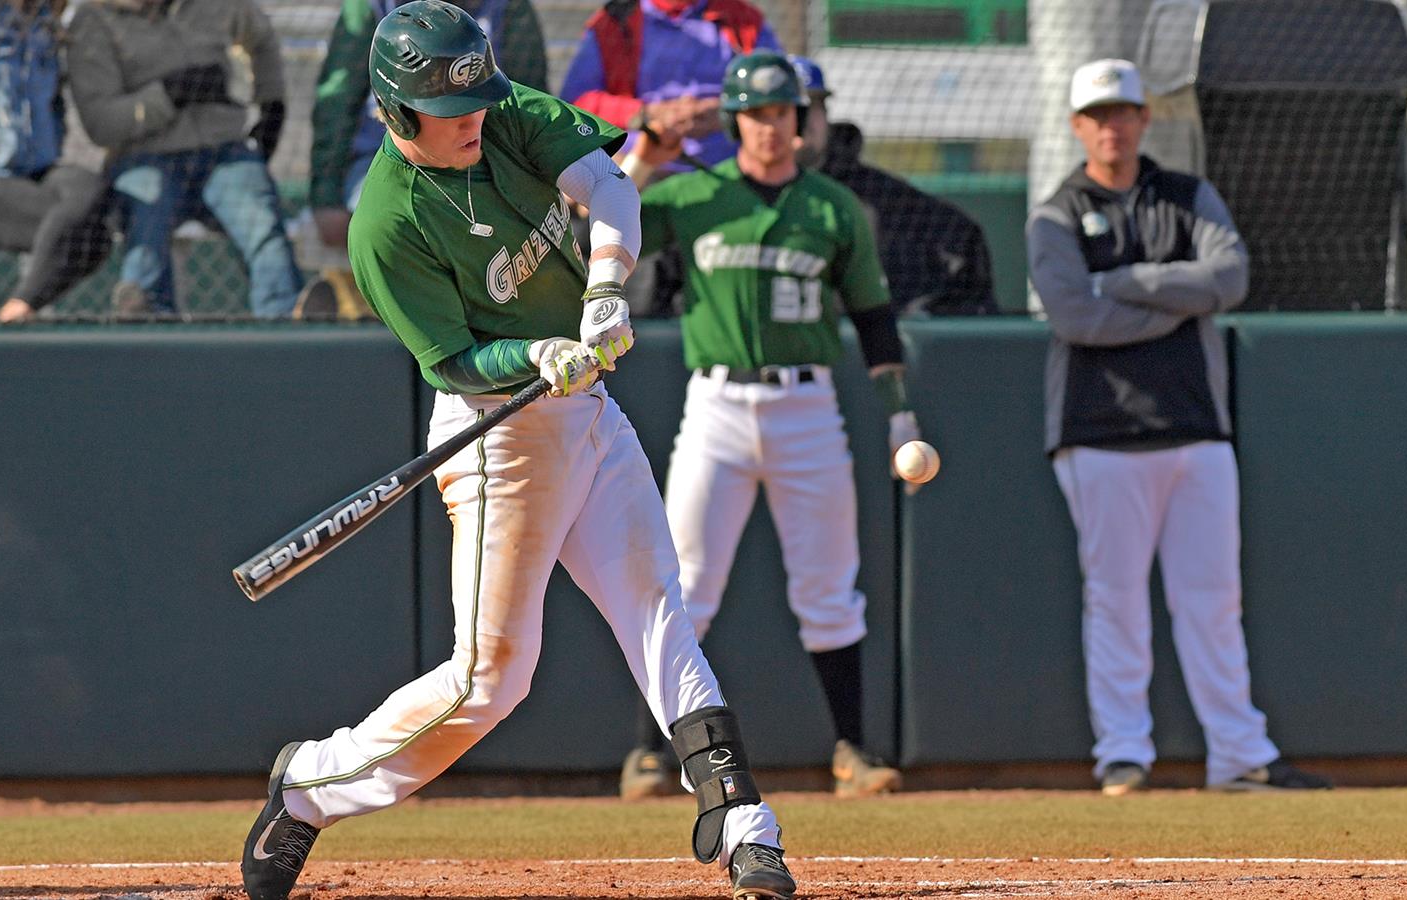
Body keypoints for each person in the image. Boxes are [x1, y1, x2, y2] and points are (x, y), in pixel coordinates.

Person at [239, 6, 795, 900]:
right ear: (394, 109)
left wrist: (606, 288)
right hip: (498, 435)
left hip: (590, 411)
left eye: (474, 102)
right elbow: (454, 358)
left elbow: (611, 189)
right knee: (489, 682)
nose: (473, 121)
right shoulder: (383, 223)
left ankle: (740, 821)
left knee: (658, 607)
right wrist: (535, 354)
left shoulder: (503, 113)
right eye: (447, 110)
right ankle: (309, 785)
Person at [613, 51, 917, 801]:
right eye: (756, 113)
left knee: (828, 587)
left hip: (807, 406)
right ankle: (653, 752)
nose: (770, 127)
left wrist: (899, 410)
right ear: (734, 119)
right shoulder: (692, 194)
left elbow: (873, 316)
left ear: (801, 118)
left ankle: (852, 749)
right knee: (684, 581)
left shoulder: (832, 207)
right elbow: (603, 223)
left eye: (783, 112)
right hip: (715, 404)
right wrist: (646, 150)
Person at [1025, 59, 1331, 795]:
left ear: (1143, 117)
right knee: (1117, 598)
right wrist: (1176, 295)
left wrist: (1128, 282)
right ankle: (1123, 755)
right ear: (1076, 127)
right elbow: (1075, 316)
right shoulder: (1055, 213)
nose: (1112, 126)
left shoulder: (1187, 196)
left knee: (1214, 597)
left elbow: (1227, 279)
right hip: (1100, 432)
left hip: (1196, 426)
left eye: (1123, 110)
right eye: (1097, 114)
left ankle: (1239, 754)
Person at [299, 0, 549, 319]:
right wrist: (326, 196)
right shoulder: (372, 6)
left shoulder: (509, 7)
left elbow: (532, 97)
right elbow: (336, 100)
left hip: (480, 154)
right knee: (393, 217)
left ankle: (365, 307)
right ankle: (360, 307)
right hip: (383, 155)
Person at [67, 0, 300, 318]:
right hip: (145, 156)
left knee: (261, 223)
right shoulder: (94, 20)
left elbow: (261, 36)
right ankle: (147, 321)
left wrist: (272, 104)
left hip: (223, 151)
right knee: (146, 225)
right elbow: (100, 123)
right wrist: (168, 94)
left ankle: (285, 321)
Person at [789, 55, 995, 317]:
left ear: (826, 114)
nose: (802, 120)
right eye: (784, 110)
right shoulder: (734, 196)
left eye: (813, 105)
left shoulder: (878, 198)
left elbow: (962, 237)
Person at [0, 0, 111, 323]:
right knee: (87, 238)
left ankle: (18, 307)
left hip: (34, 167)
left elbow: (51, 104)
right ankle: (18, 313)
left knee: (89, 191)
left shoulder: (44, 24)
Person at [559, 0, 781, 169]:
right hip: (638, 168)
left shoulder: (742, 20)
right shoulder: (616, 20)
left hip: (730, 169)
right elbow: (576, 102)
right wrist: (648, 114)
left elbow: (778, 88)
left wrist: (724, 112)